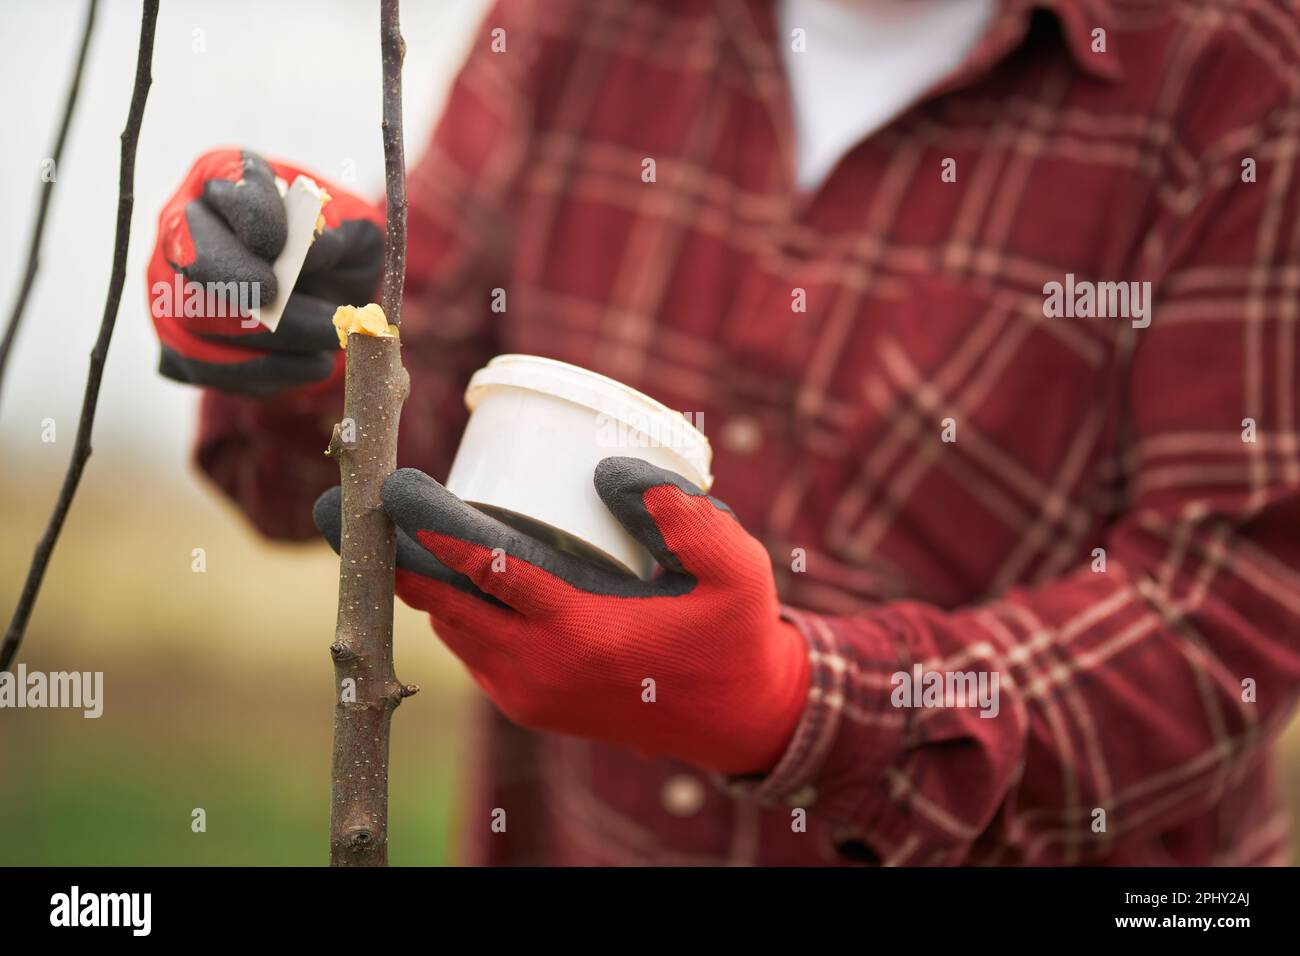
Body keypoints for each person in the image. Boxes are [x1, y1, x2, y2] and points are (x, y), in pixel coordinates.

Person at [146, 0, 1300, 865]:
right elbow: (408, 413)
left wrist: (799, 706)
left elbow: (1227, 606)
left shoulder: (1239, 76)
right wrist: (293, 333)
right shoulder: (573, 21)